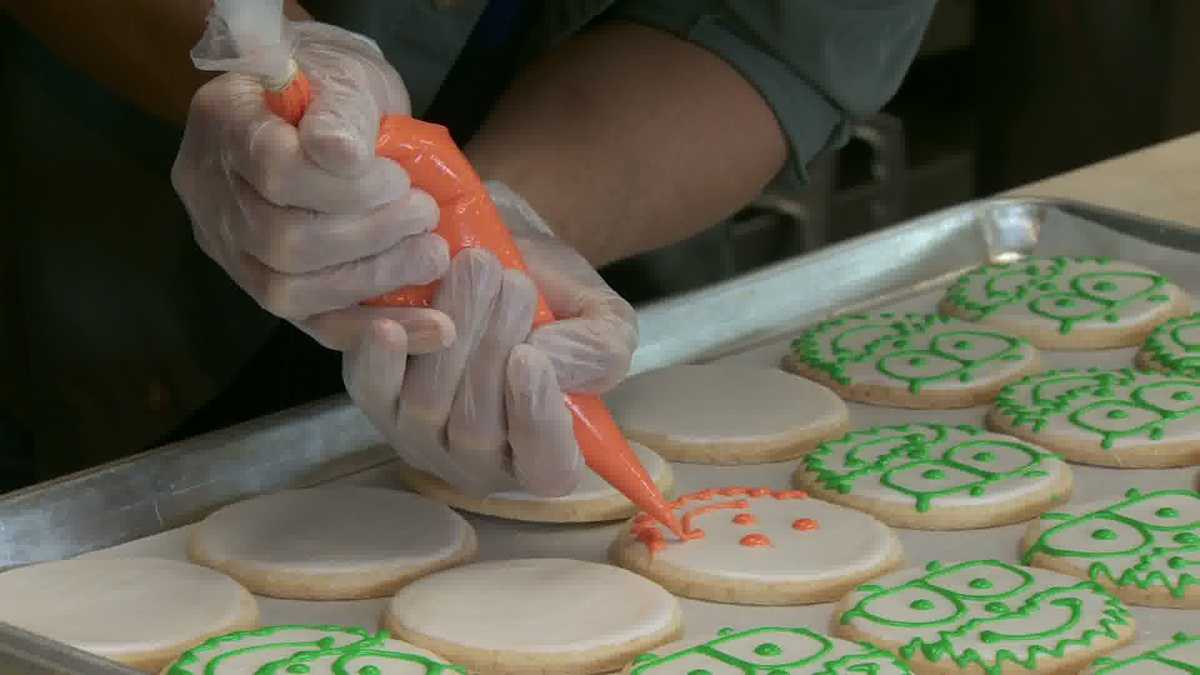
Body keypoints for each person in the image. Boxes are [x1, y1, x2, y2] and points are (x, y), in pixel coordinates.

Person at [0, 1, 935, 495]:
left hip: (617, 168)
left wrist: (509, 218)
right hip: (97, 237)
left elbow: (779, 26)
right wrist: (249, 51)